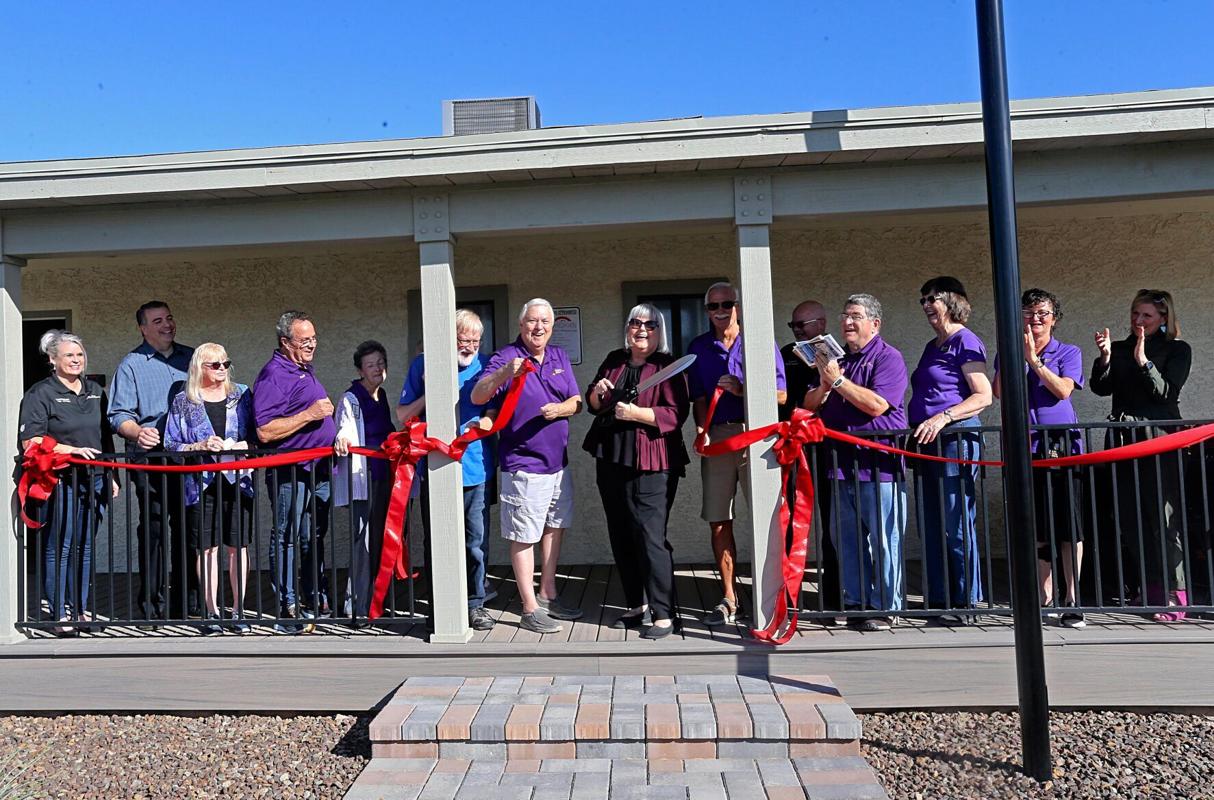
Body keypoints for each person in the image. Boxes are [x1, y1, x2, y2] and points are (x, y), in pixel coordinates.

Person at [471, 298, 583, 634]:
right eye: (532, 321)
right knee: (524, 535)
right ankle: (529, 607)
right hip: (523, 465)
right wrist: (509, 372)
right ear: (521, 325)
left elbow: (576, 402)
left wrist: (559, 410)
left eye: (545, 322)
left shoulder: (558, 356)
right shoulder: (506, 357)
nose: (539, 327)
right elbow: (479, 395)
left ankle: (548, 593)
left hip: (558, 464)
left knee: (554, 527)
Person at [583, 304, 690, 639]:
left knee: (650, 536)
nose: (641, 329)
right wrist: (598, 394)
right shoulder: (615, 359)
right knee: (621, 532)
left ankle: (663, 611)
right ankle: (635, 604)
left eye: (649, 324)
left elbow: (675, 415)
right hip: (612, 456)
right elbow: (593, 404)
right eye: (635, 323)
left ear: (659, 331)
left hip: (653, 462)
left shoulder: (668, 366)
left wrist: (636, 415)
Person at [802, 295, 908, 631]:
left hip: (879, 468)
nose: (848, 322)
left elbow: (877, 405)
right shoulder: (839, 359)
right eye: (845, 316)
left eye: (856, 316)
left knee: (883, 540)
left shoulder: (889, 358)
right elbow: (809, 404)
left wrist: (837, 382)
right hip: (841, 465)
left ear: (874, 324)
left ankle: (887, 608)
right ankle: (858, 601)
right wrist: (824, 384)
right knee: (846, 540)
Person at [687, 281, 786, 626]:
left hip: (755, 435)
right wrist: (701, 429)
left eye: (726, 303)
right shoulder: (699, 347)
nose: (720, 310)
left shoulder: (760, 340)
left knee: (766, 518)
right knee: (718, 519)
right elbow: (698, 398)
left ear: (738, 306)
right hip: (718, 437)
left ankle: (769, 595)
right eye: (712, 305)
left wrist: (745, 390)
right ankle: (729, 597)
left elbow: (782, 397)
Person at [1091, 288, 1192, 622]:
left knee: (1162, 516)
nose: (1138, 321)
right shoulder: (1119, 347)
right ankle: (1147, 590)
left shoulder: (1177, 350)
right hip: (1123, 435)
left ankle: (1175, 594)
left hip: (1158, 436)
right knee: (1130, 515)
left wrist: (1144, 361)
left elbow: (1166, 392)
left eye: (1146, 316)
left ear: (1163, 318)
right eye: (1135, 314)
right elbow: (1101, 387)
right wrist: (1106, 357)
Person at [395, 311, 497, 631]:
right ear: (448, 339)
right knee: (435, 541)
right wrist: (431, 392)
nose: (469, 346)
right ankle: (440, 605)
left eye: (475, 340)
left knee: (474, 541)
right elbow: (402, 415)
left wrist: (483, 424)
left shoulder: (487, 366)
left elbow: (494, 414)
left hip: (475, 467)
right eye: (463, 339)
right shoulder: (422, 365)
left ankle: (475, 603)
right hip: (434, 467)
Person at [993, 289, 1086, 628]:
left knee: (1069, 529)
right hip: (1024, 449)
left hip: (1063, 448)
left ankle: (1073, 600)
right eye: (1028, 314)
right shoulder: (1011, 350)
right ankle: (1043, 598)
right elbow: (1000, 392)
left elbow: (1062, 389)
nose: (1035, 320)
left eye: (1042, 313)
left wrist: (1035, 361)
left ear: (1054, 318)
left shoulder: (1068, 351)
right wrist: (1013, 354)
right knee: (1037, 529)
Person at [19, 331, 119, 636]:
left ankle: (81, 610)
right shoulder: (41, 393)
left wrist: (112, 473)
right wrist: (71, 450)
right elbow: (30, 441)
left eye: (79, 355)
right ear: (53, 360)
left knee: (85, 546)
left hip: (95, 480)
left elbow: (105, 436)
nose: (76, 360)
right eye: (68, 355)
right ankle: (58, 612)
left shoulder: (94, 392)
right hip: (60, 479)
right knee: (59, 546)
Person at [908, 276, 993, 625]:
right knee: (931, 522)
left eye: (934, 298)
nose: (928, 304)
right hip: (928, 442)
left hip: (955, 440)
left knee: (957, 523)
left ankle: (968, 601)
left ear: (954, 300)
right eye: (923, 299)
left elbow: (982, 395)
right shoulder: (933, 345)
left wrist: (943, 418)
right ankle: (940, 599)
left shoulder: (965, 341)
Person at [109, 300, 196, 622]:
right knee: (155, 529)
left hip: (189, 456)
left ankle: (189, 604)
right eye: (158, 320)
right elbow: (119, 414)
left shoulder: (192, 359)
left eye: (169, 318)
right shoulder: (131, 364)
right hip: (151, 457)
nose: (167, 325)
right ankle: (152, 607)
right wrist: (137, 432)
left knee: (189, 528)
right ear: (143, 328)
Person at [253, 311, 336, 632]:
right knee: (286, 536)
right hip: (290, 470)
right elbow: (265, 431)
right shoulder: (273, 375)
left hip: (318, 470)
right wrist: (310, 414)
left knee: (311, 536)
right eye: (305, 340)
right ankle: (288, 607)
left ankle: (313, 595)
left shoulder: (302, 369)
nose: (312, 344)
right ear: (285, 342)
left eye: (314, 338)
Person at [164, 344, 255, 634]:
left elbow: (256, 433)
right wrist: (198, 446)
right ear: (199, 367)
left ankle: (238, 609)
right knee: (207, 547)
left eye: (225, 364)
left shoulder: (241, 394)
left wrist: (245, 445)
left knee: (237, 545)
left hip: (237, 478)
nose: (221, 370)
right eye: (214, 364)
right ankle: (211, 611)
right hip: (200, 483)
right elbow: (170, 443)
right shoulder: (183, 400)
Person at [777, 298, 841, 621]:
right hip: (793, 447)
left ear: (821, 324)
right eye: (793, 326)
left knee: (832, 526)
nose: (797, 331)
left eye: (802, 325)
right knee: (790, 524)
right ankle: (790, 597)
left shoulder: (838, 356)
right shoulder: (787, 354)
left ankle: (832, 598)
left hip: (828, 450)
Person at [333, 341, 395, 621]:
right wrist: (342, 438)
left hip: (384, 476)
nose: (378, 368)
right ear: (360, 369)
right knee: (363, 541)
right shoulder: (352, 397)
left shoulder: (382, 396)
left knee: (381, 539)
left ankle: (376, 600)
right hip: (364, 477)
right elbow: (344, 428)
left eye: (381, 362)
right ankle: (357, 604)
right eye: (371, 364)